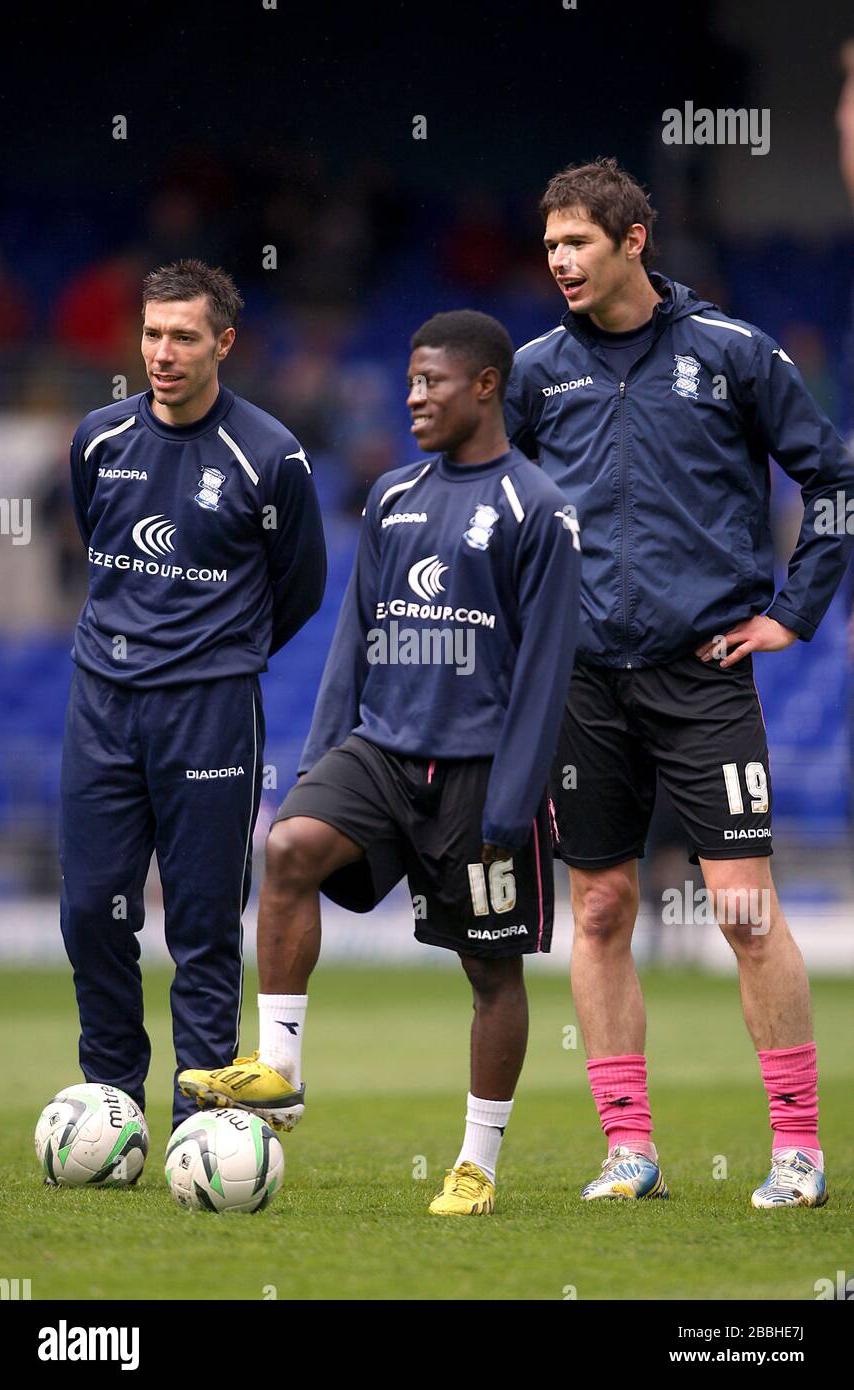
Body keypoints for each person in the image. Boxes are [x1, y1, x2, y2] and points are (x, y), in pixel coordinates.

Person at [504, 158, 854, 1208]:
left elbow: (831, 480)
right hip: (580, 683)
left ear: (630, 242)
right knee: (600, 909)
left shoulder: (735, 354)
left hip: (702, 674)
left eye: (577, 242)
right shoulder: (529, 373)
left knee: (742, 911)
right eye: (550, 244)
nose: (559, 261)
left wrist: (792, 612)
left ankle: (796, 1147)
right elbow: (492, 501)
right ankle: (629, 1151)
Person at [179, 310, 582, 1215]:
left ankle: (476, 1162)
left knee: (491, 974)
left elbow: (548, 670)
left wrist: (513, 805)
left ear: (485, 385)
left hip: (482, 775)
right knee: (287, 851)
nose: (412, 398)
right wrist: (322, 761)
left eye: (430, 382)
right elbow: (353, 641)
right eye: (408, 382)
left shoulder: (539, 510)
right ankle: (277, 1071)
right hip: (382, 752)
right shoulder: (393, 497)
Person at [60, 258, 326, 1136]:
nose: (163, 353)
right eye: (151, 334)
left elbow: (302, 585)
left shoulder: (271, 455)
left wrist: (220, 653)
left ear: (224, 343)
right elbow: (97, 541)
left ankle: (200, 1111)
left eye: (183, 336)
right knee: (90, 909)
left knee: (205, 924)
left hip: (211, 712)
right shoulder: (99, 439)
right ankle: (110, 1101)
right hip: (102, 703)